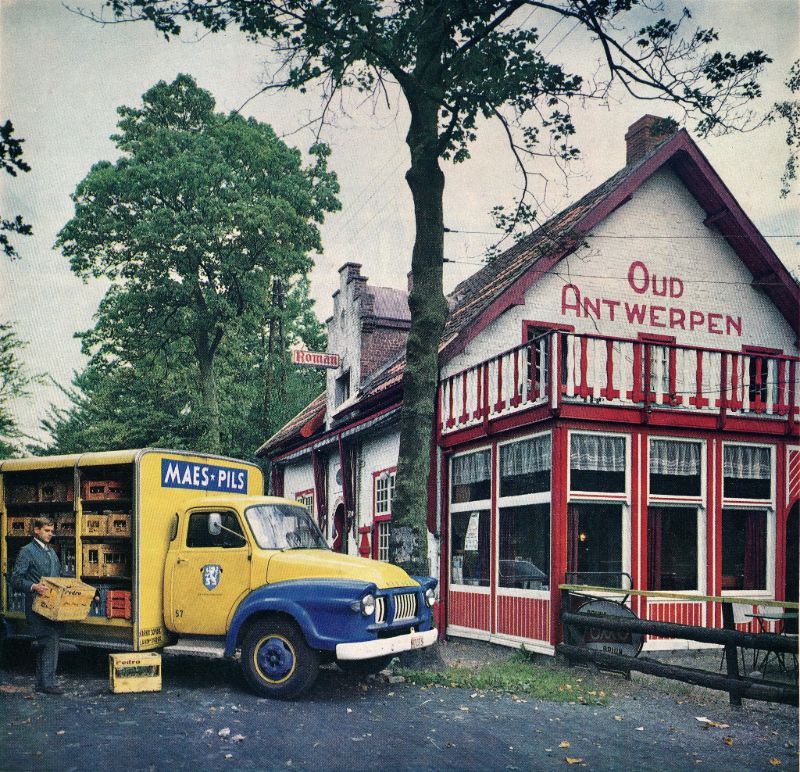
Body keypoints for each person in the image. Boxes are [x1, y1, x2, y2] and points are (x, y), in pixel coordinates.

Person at [10, 517, 65, 694]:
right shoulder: (27, 551)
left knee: (48, 641)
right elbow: (15, 579)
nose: (50, 534)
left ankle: (42, 683)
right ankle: (47, 684)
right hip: (36, 606)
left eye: (52, 531)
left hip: (52, 606)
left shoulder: (51, 552)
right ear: (36, 530)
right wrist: (33, 586)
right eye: (47, 531)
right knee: (49, 639)